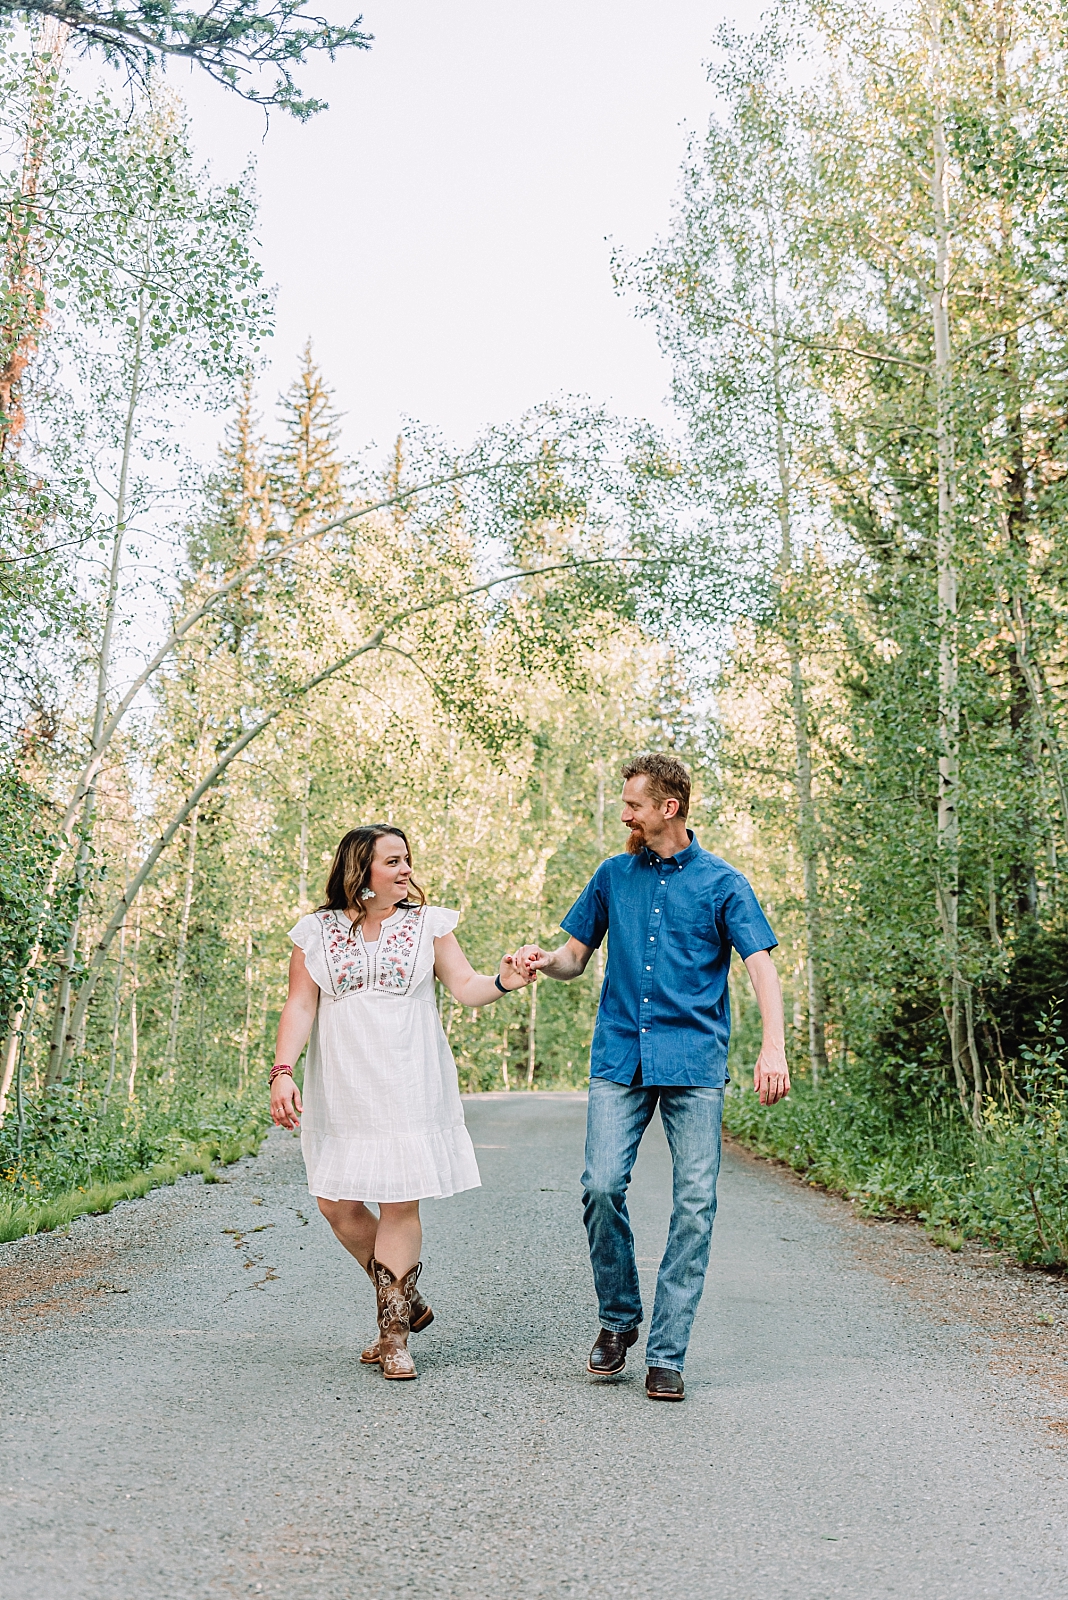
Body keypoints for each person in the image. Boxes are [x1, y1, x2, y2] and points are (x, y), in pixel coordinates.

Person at [514, 752, 789, 1402]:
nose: (624, 813)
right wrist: (540, 959)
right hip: (620, 1058)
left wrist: (771, 1048)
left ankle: (668, 1353)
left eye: (634, 803)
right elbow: (575, 958)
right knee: (602, 1186)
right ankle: (619, 1319)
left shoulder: (724, 883)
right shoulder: (613, 876)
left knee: (694, 1206)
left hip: (693, 1062)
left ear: (668, 807)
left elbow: (761, 966)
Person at [270, 823, 531, 1380]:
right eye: (394, 861)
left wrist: (504, 980)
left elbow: (466, 987)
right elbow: (299, 1007)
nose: (407, 870)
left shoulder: (428, 927)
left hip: (410, 1079)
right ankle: (406, 1299)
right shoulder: (315, 932)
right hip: (341, 1085)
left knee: (399, 1203)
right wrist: (282, 1071)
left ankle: (394, 1338)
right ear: (360, 870)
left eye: (407, 860)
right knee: (335, 1203)